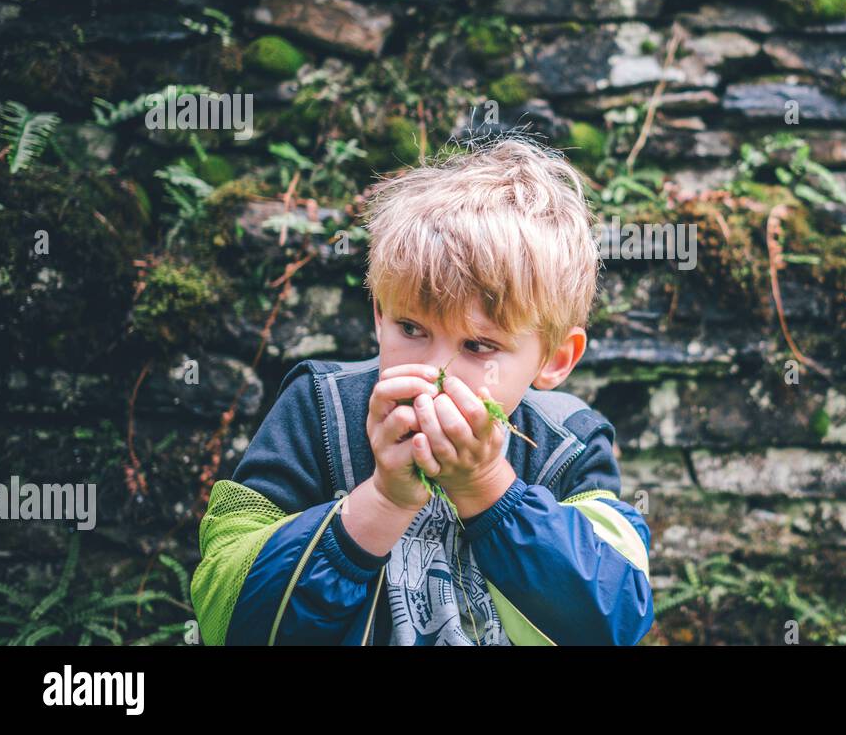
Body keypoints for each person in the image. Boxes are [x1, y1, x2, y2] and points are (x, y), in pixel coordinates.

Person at [190, 131, 653, 645]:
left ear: (554, 359)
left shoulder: (568, 445)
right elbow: (228, 614)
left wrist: (487, 485)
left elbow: (613, 622)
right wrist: (383, 500)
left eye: (478, 346)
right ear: (379, 314)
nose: (438, 372)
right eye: (412, 329)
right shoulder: (320, 411)